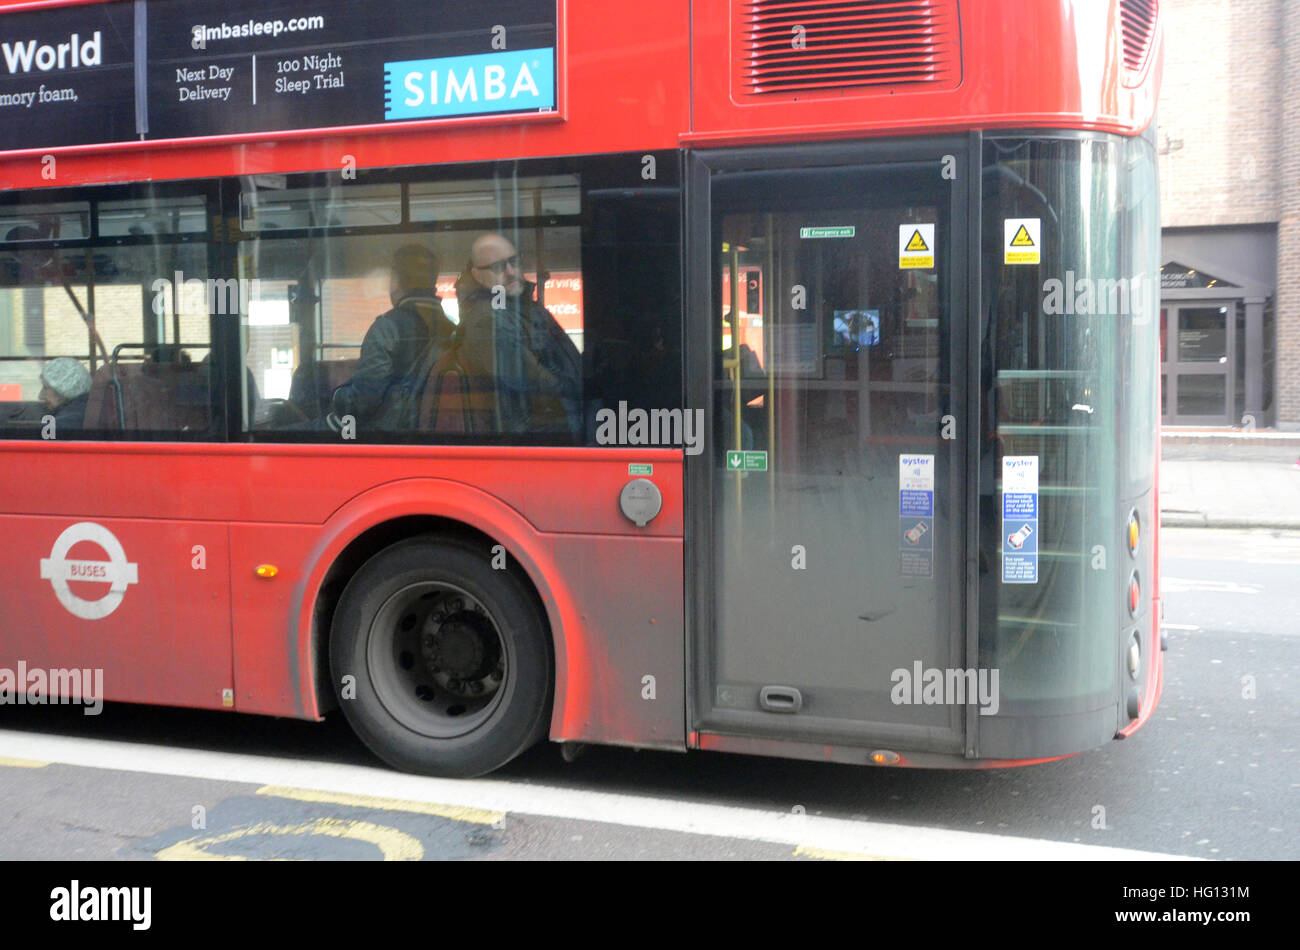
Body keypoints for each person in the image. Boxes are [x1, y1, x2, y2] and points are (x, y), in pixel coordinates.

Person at [454, 234, 581, 435]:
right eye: (498, 267)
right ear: (477, 275)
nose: (511, 272)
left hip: (558, 427)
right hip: (533, 436)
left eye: (514, 261)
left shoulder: (524, 308)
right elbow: (535, 381)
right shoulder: (486, 320)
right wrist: (582, 385)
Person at [331, 245, 455, 432]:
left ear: (396, 281)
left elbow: (364, 401)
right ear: (432, 282)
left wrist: (337, 395)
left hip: (389, 437)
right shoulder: (453, 329)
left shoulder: (387, 328)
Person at [39, 357, 90, 430]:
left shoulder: (60, 425)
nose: (41, 396)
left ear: (65, 387)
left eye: (46, 388)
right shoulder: (85, 408)